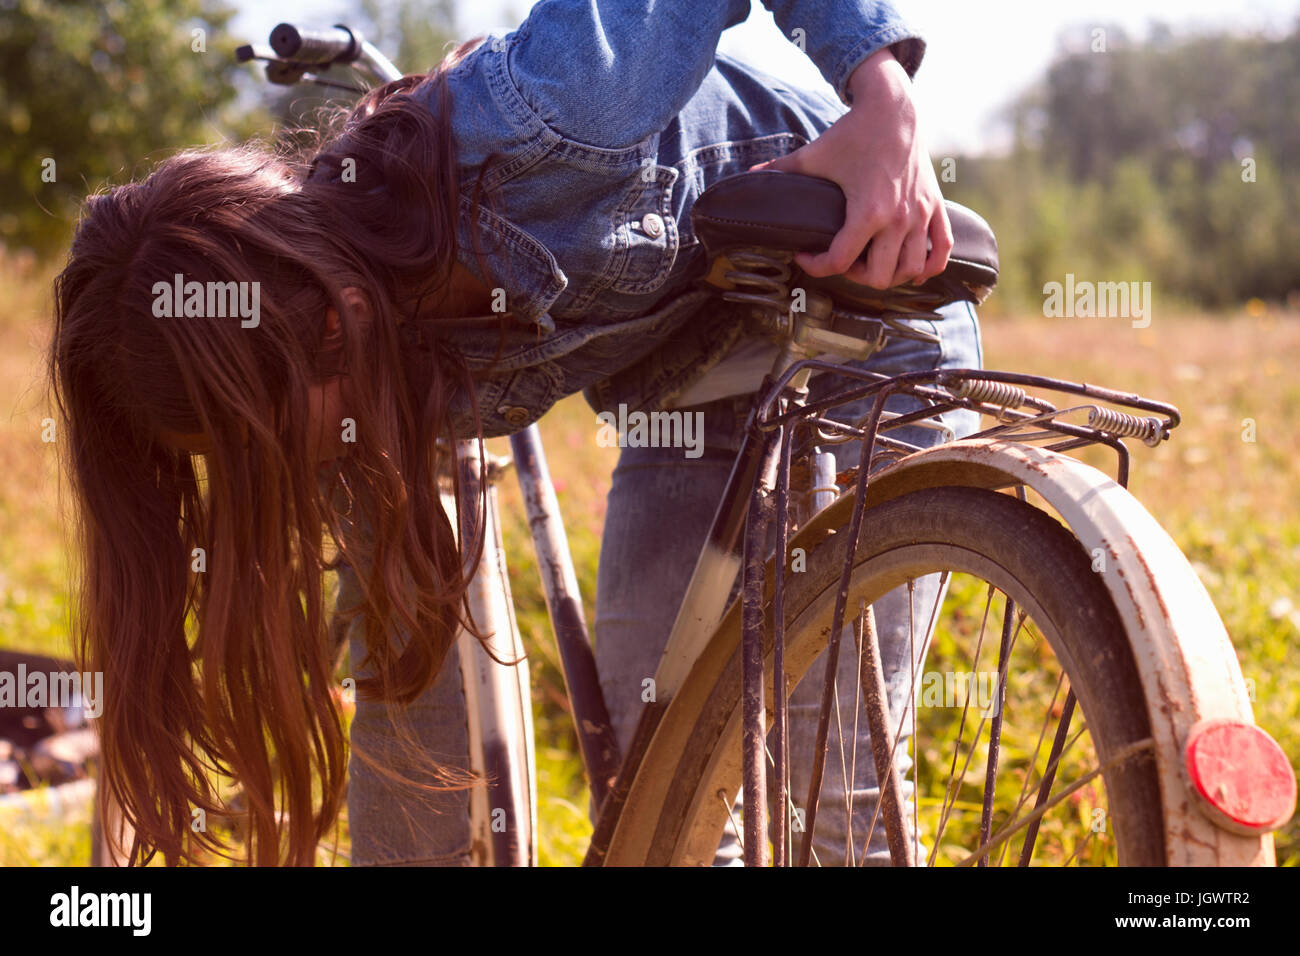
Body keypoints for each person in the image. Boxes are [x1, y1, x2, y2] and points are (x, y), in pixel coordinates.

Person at [50, 0, 980, 866]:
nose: (297, 470)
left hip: (877, 327)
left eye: (272, 434)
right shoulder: (338, 387)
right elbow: (414, 706)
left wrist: (883, 98)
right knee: (668, 793)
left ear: (330, 317)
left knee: (835, 806)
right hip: (694, 396)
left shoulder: (554, 108)